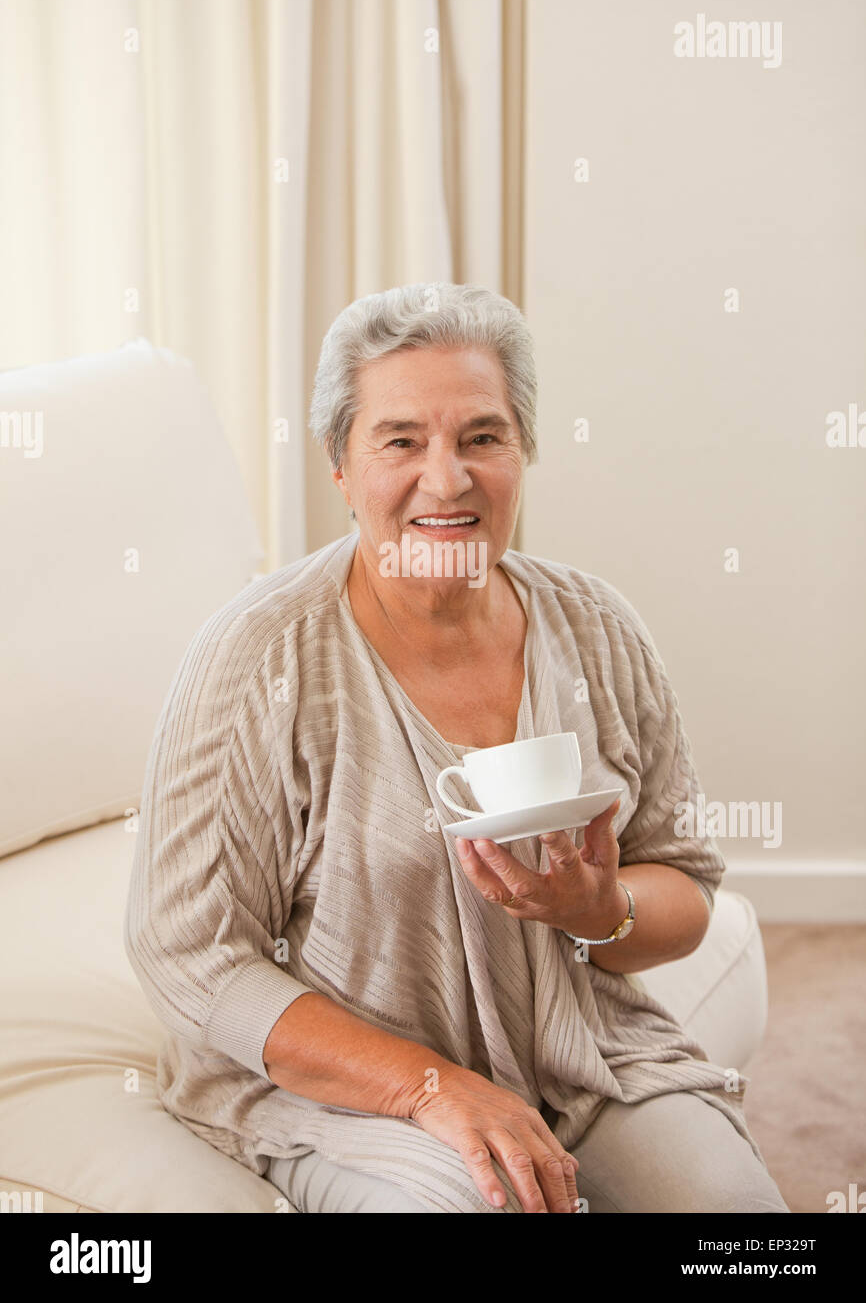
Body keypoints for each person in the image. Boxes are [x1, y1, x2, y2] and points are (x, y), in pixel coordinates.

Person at [125, 282, 789, 1213]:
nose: (447, 480)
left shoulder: (596, 627)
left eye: (483, 436)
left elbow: (683, 886)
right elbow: (187, 954)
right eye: (401, 440)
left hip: (581, 1056)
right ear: (341, 467)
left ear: (523, 452)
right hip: (356, 1097)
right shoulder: (257, 660)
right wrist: (431, 1086)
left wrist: (600, 911)